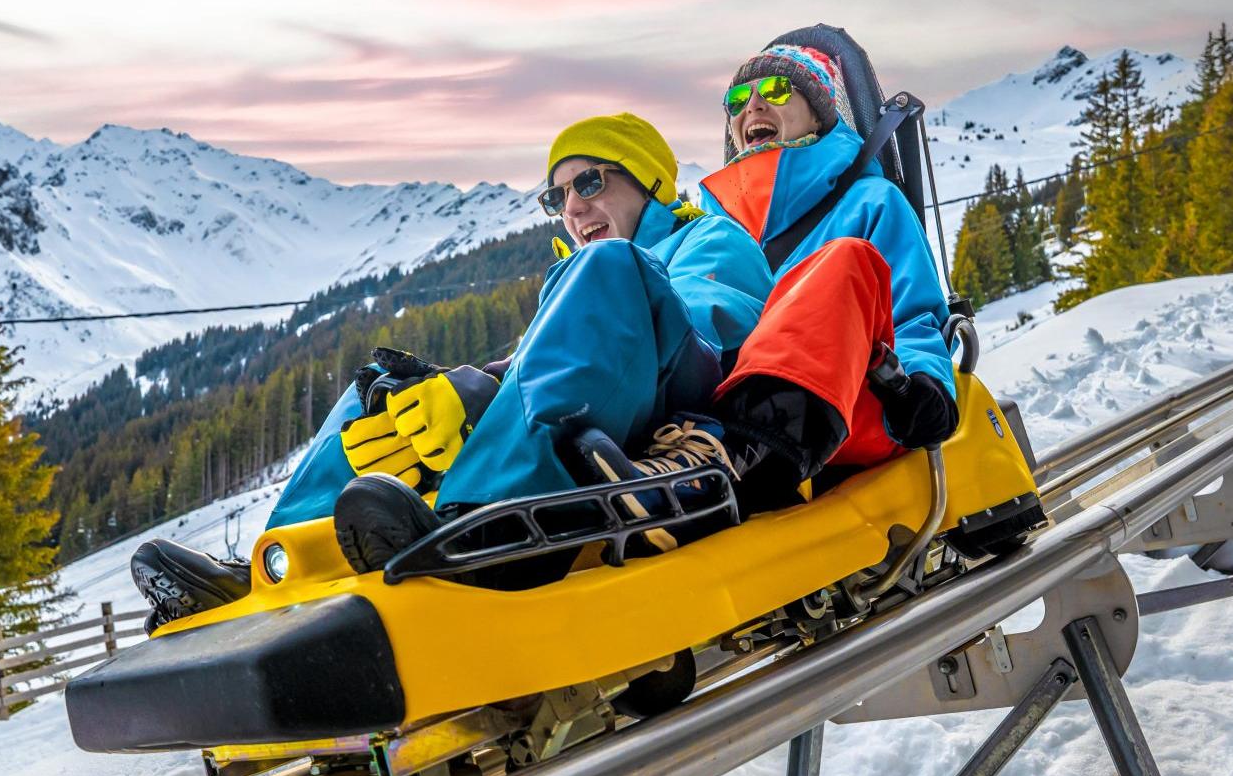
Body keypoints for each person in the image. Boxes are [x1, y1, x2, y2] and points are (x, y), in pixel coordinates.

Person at [131, 113, 772, 630]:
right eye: (557, 195)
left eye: (591, 182)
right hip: (585, 414)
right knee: (380, 399)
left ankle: (487, 531)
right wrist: (462, 391)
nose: (572, 208)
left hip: (668, 402)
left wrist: (498, 383)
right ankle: (278, 564)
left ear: (654, 184)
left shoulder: (705, 242)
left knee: (606, 269)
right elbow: (546, 370)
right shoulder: (585, 279)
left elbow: (711, 328)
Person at [694, 44, 959, 509]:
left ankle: (752, 450)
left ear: (817, 114)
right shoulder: (712, 232)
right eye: (736, 101)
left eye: (775, 90)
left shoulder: (871, 203)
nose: (752, 105)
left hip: (854, 401)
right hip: (715, 418)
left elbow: (912, 316)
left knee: (842, 264)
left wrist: (923, 383)